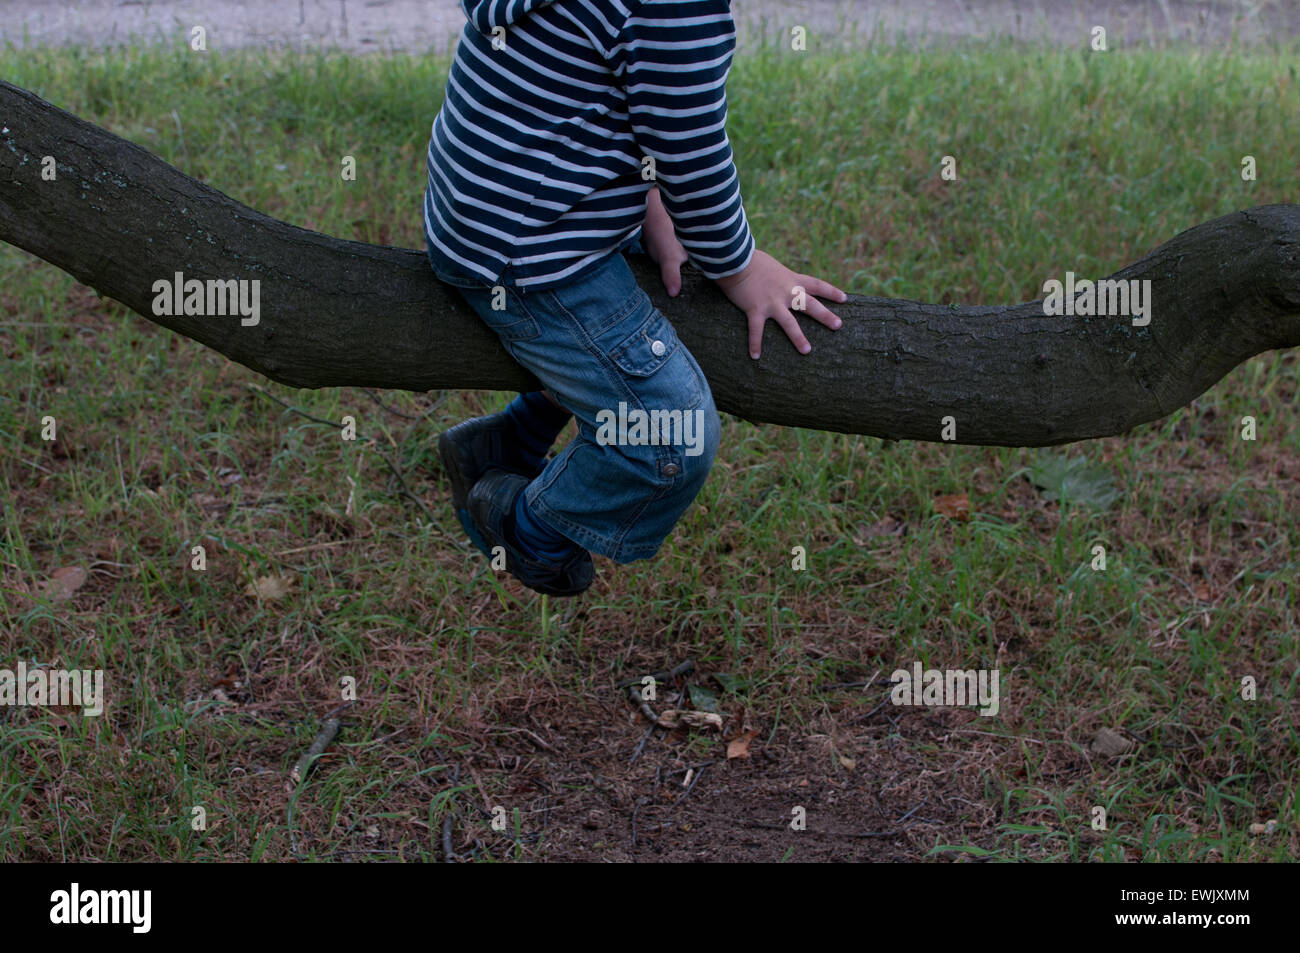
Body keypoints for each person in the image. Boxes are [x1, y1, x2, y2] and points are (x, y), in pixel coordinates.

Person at [425, 0, 847, 596]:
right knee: (671, 432)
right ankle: (526, 529)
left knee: (614, 357)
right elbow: (690, 150)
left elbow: (590, 83)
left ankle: (510, 439)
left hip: (488, 205)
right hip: (531, 250)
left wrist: (651, 205)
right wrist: (740, 267)